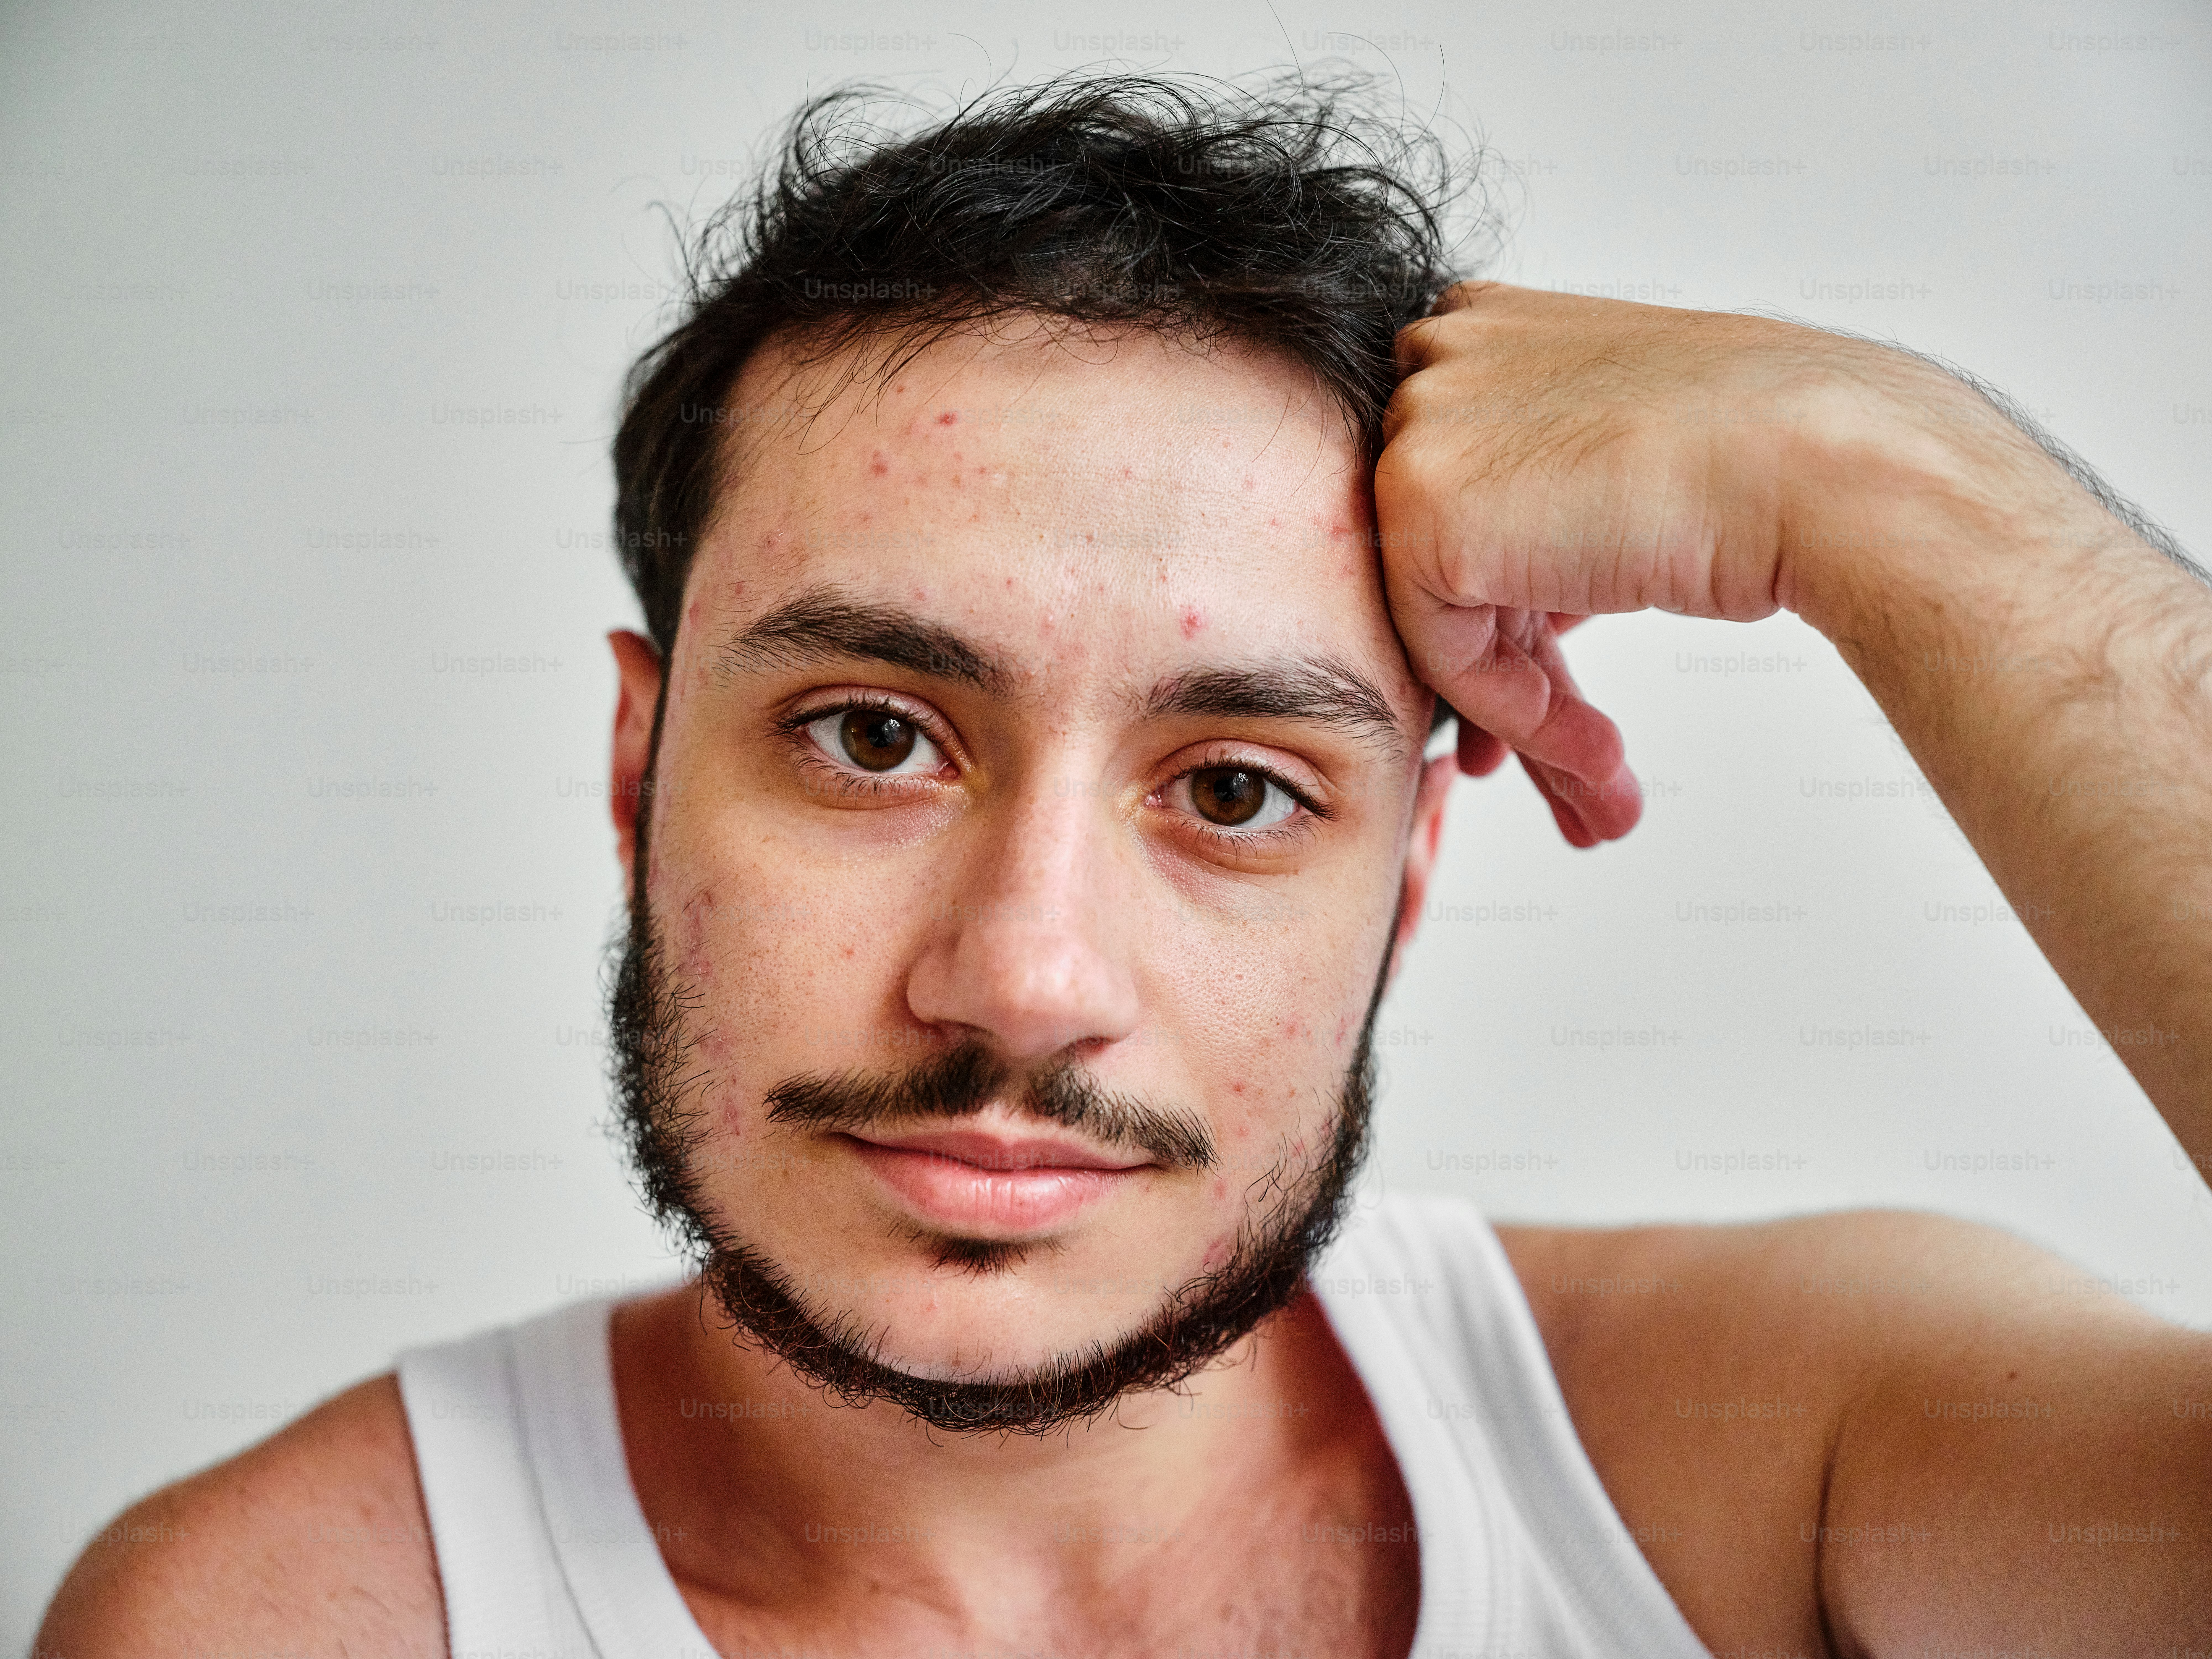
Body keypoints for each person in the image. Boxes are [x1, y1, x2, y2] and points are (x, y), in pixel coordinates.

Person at [38, 75, 2212, 1659]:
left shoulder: (1774, 1453)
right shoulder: (283, 1622)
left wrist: (1888, 489)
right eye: (872, 735)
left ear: (1410, 870)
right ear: (639, 761)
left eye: (1239, 788)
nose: (1020, 976)